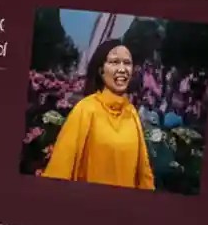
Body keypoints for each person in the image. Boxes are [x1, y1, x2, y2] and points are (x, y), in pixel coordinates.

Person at [41, 40, 156, 191]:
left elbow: (144, 172)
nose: (122, 69)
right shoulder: (85, 110)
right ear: (101, 70)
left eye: (127, 63)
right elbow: (60, 167)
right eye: (115, 62)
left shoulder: (132, 113)